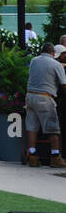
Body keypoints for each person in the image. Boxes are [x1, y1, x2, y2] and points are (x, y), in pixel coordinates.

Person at [26, 39, 66, 167]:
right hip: (45, 98)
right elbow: (63, 85)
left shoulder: (34, 60)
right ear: (53, 52)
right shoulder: (56, 65)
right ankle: (55, 157)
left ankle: (32, 156)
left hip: (30, 97)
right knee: (52, 129)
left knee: (32, 127)